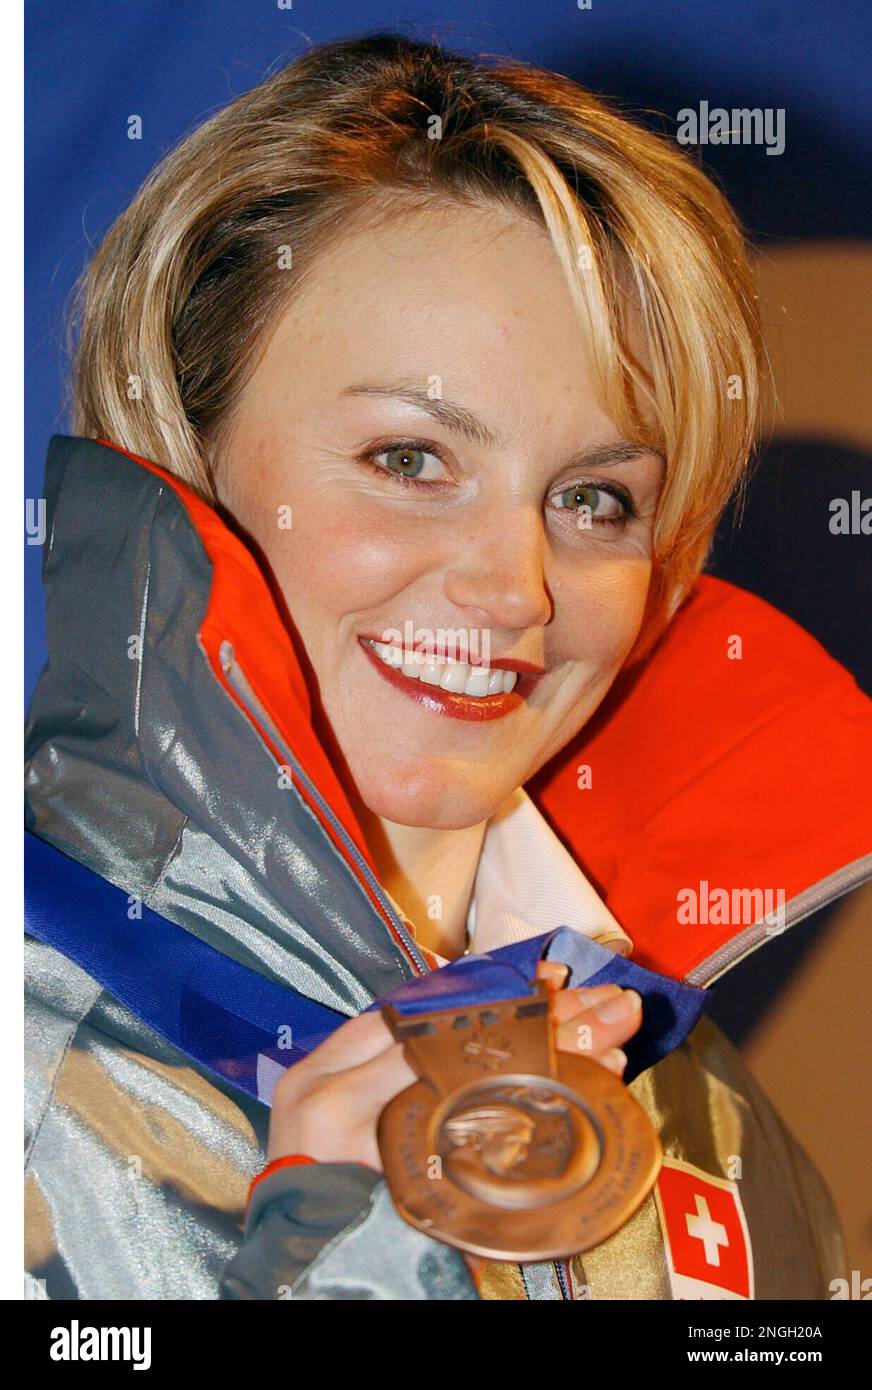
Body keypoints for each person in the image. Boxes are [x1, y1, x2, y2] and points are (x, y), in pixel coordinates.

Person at [24, 32, 871, 1301]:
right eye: (409, 460)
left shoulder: (705, 1126)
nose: (512, 587)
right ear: (178, 448)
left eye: (592, 499)